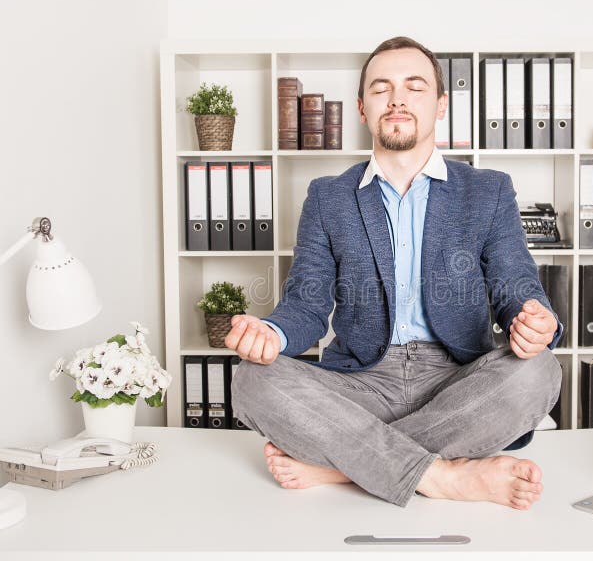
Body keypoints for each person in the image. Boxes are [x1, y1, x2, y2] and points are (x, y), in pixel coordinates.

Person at [227, 36, 564, 510]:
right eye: (382, 88)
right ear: (363, 108)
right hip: (360, 382)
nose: (398, 99)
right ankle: (444, 476)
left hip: (459, 380)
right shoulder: (328, 197)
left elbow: (516, 285)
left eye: (415, 86)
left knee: (539, 373)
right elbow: (305, 305)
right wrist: (271, 333)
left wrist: (534, 323)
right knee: (252, 379)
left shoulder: (488, 191)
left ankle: (342, 467)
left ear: (440, 104)